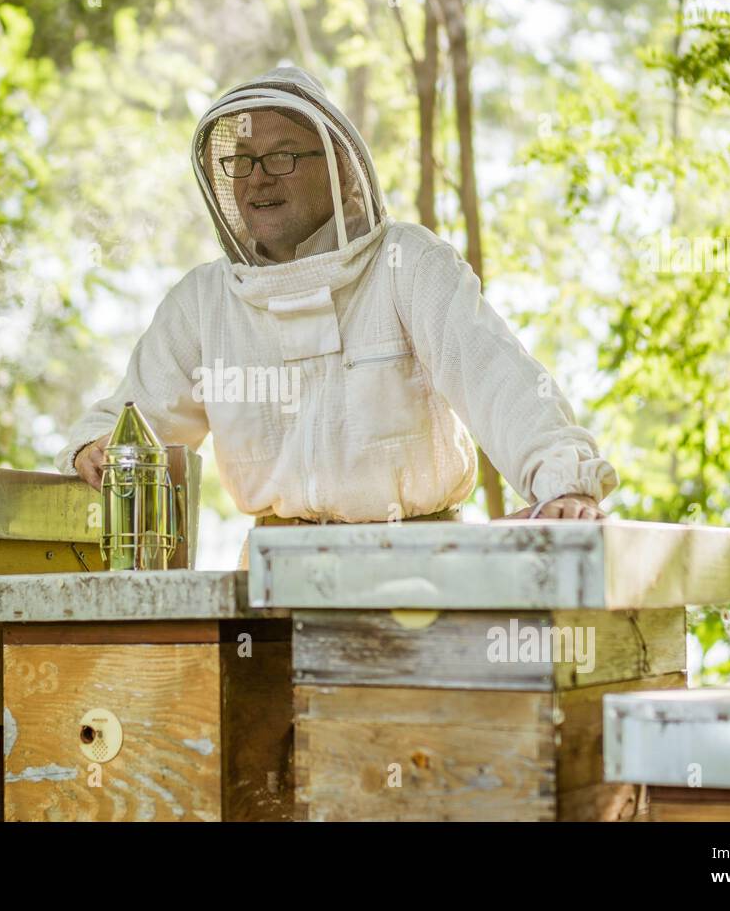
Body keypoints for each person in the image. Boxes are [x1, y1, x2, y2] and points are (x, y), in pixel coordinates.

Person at [55, 66, 619, 566]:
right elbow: (136, 425)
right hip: (272, 582)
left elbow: (499, 379)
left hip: (421, 571)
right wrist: (95, 447)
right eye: (242, 161)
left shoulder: (407, 263)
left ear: (341, 169)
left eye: (281, 156)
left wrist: (563, 485)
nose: (256, 178)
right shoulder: (204, 301)